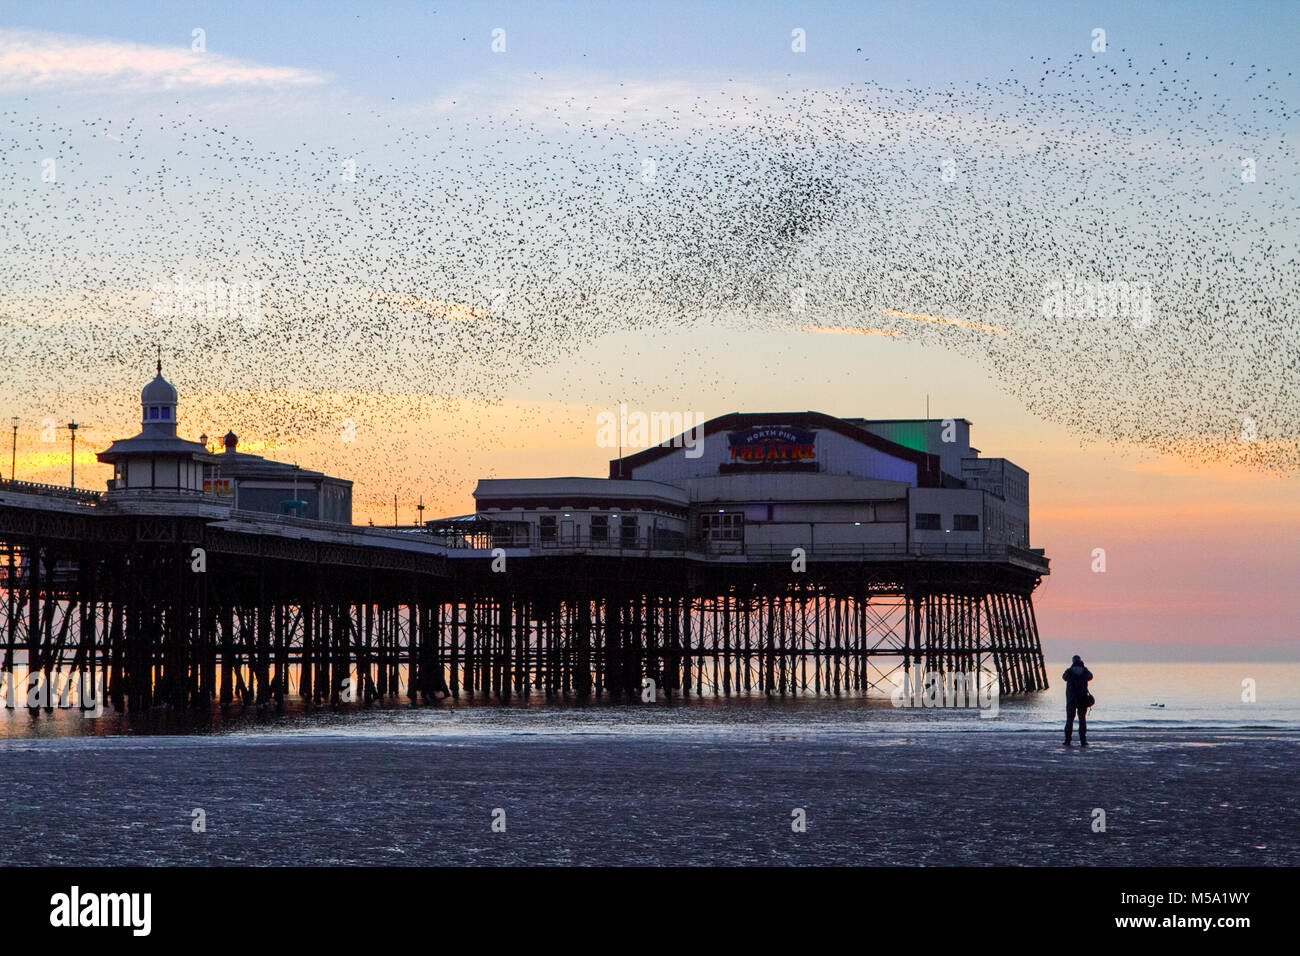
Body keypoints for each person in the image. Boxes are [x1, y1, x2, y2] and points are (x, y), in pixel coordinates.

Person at [1062, 655, 1093, 746]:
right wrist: (1084, 669)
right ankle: (1083, 740)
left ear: (1073, 661)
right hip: (1082, 698)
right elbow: (1090, 677)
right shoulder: (1084, 670)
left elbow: (1064, 677)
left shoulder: (1070, 670)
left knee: (1069, 720)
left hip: (1071, 699)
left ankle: (1068, 740)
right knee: (1082, 720)